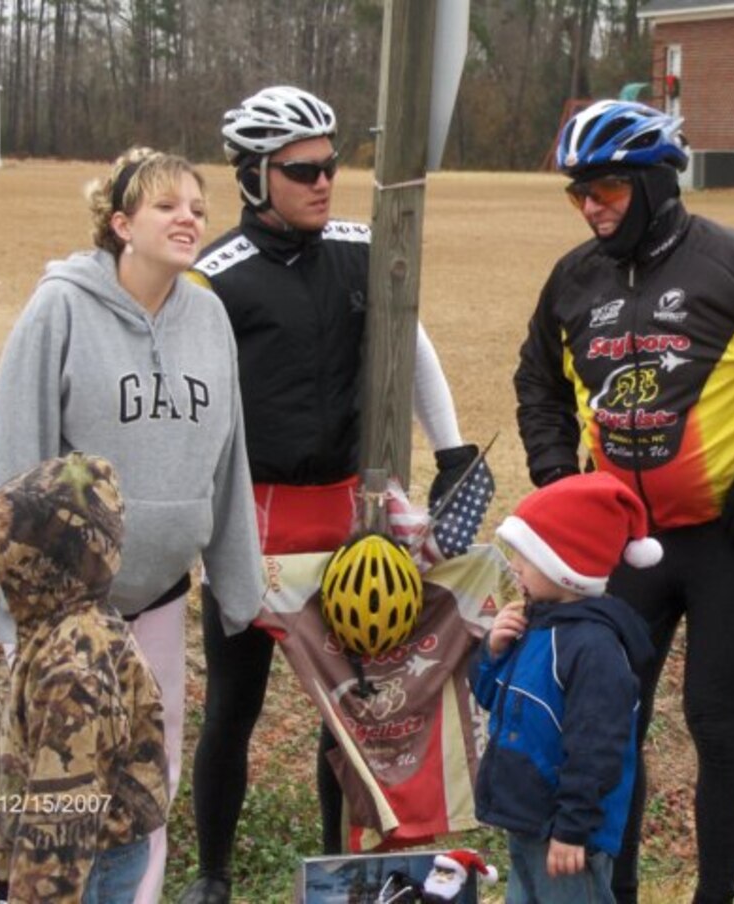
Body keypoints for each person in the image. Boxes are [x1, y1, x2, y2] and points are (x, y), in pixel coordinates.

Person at [514, 99, 734, 903]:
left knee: (717, 726)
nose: (591, 208)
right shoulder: (572, 280)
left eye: (609, 190)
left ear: (658, 183)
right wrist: (561, 482)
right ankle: (614, 892)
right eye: (578, 193)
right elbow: (538, 384)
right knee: (611, 724)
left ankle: (715, 897)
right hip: (621, 547)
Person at [181, 85, 479, 904]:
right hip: (254, 523)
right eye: (303, 169)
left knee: (347, 713)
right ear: (253, 178)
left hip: (347, 517)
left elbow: (409, 342)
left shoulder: (359, 244)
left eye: (331, 166)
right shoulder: (213, 279)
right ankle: (213, 873)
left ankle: (335, 864)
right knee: (232, 709)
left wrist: (450, 450)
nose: (324, 182)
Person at [0, 147, 266, 903]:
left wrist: (243, 584)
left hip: (163, 595)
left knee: (150, 771)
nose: (190, 219)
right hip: (68, 615)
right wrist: (15, 612)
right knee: (61, 783)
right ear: (120, 223)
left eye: (199, 209)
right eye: (168, 206)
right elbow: (15, 460)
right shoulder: (60, 309)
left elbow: (229, 453)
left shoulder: (208, 316)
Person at [0, 453, 168, 904]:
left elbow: (64, 815)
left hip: (86, 865)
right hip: (94, 852)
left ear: (50, 563)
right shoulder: (69, 623)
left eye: (12, 551)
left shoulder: (73, 667)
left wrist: (31, 891)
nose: (1, 564)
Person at [471, 472, 659, 904]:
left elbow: (597, 749)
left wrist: (573, 829)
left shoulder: (594, 650)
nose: (513, 566)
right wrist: (492, 651)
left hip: (567, 835)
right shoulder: (537, 625)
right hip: (527, 819)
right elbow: (491, 697)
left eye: (526, 556)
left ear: (566, 567)